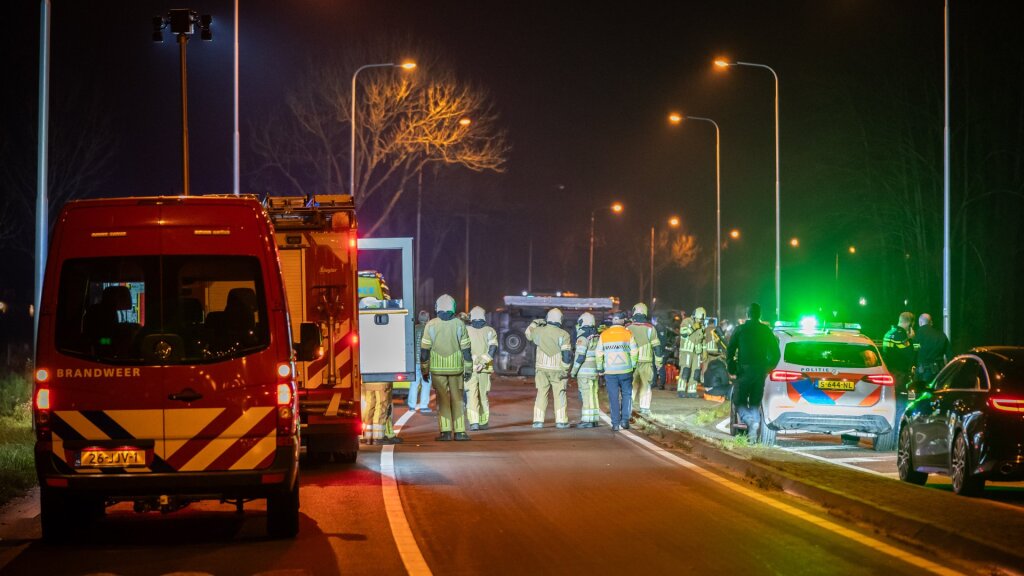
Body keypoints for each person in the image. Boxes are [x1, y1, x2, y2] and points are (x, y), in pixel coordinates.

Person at [420, 294, 473, 441]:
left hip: (437, 370)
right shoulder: (459, 324)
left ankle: (445, 432)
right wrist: (468, 368)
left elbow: (424, 351)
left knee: (442, 400)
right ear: (453, 307)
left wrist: (424, 370)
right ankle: (460, 432)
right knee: (457, 399)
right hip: (456, 369)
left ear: (437, 307)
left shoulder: (430, 325)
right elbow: (466, 350)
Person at [725, 303, 781, 441]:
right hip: (759, 371)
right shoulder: (766, 330)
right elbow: (776, 353)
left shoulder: (740, 330)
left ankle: (749, 421)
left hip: (744, 370)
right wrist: (768, 367)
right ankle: (752, 434)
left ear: (747, 315)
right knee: (755, 401)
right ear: (759, 315)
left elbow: (730, 350)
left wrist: (732, 367)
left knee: (739, 400)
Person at [525, 308, 573, 428]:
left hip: (541, 368)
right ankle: (561, 422)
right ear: (560, 320)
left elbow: (528, 333)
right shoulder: (564, 334)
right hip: (557, 370)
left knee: (541, 393)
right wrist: (565, 370)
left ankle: (538, 421)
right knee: (559, 394)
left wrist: (535, 322)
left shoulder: (538, 331)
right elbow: (566, 355)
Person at [597, 310, 639, 431]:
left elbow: (599, 353)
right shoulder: (628, 333)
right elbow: (634, 351)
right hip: (626, 370)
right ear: (622, 321)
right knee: (627, 395)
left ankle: (615, 423)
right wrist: (633, 365)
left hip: (610, 372)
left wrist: (600, 368)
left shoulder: (604, 334)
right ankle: (625, 421)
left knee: (613, 397)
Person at [466, 306, 498, 431]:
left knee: (471, 395)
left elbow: (464, 349)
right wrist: (483, 362)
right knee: (483, 395)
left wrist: (473, 361)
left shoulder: (466, 330)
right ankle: (483, 422)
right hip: (485, 369)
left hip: (470, 368)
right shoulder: (490, 330)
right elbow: (493, 348)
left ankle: (473, 422)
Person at [627, 303, 662, 417]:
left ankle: (628, 407)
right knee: (646, 386)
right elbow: (657, 347)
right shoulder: (651, 329)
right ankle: (645, 408)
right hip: (646, 363)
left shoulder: (628, 328)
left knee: (631, 385)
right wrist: (658, 363)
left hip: (630, 363)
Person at [570, 312, 601, 428]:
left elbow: (580, 356)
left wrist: (573, 371)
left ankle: (586, 420)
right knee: (593, 394)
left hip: (584, 371)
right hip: (594, 371)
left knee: (586, 395)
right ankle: (594, 419)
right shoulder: (596, 336)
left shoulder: (582, 337)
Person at [678, 307, 707, 398]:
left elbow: (703, 339)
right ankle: (681, 390)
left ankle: (692, 390)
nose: (700, 321)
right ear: (695, 316)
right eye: (699, 319)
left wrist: (704, 351)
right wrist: (693, 327)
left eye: (702, 320)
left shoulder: (702, 325)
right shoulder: (686, 321)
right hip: (687, 350)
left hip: (697, 352)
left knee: (696, 372)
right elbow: (683, 332)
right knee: (685, 370)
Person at [407, 310, 433, 413]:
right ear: (428, 319)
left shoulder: (414, 329)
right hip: (425, 361)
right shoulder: (429, 329)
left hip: (414, 361)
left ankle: (411, 406)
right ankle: (423, 406)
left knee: (414, 383)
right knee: (426, 383)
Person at [914, 313, 950, 384]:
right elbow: (950, 354)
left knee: (922, 394)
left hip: (923, 372)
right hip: (939, 372)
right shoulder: (941, 334)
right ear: (931, 323)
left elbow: (915, 352)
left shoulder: (918, 334)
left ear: (920, 322)